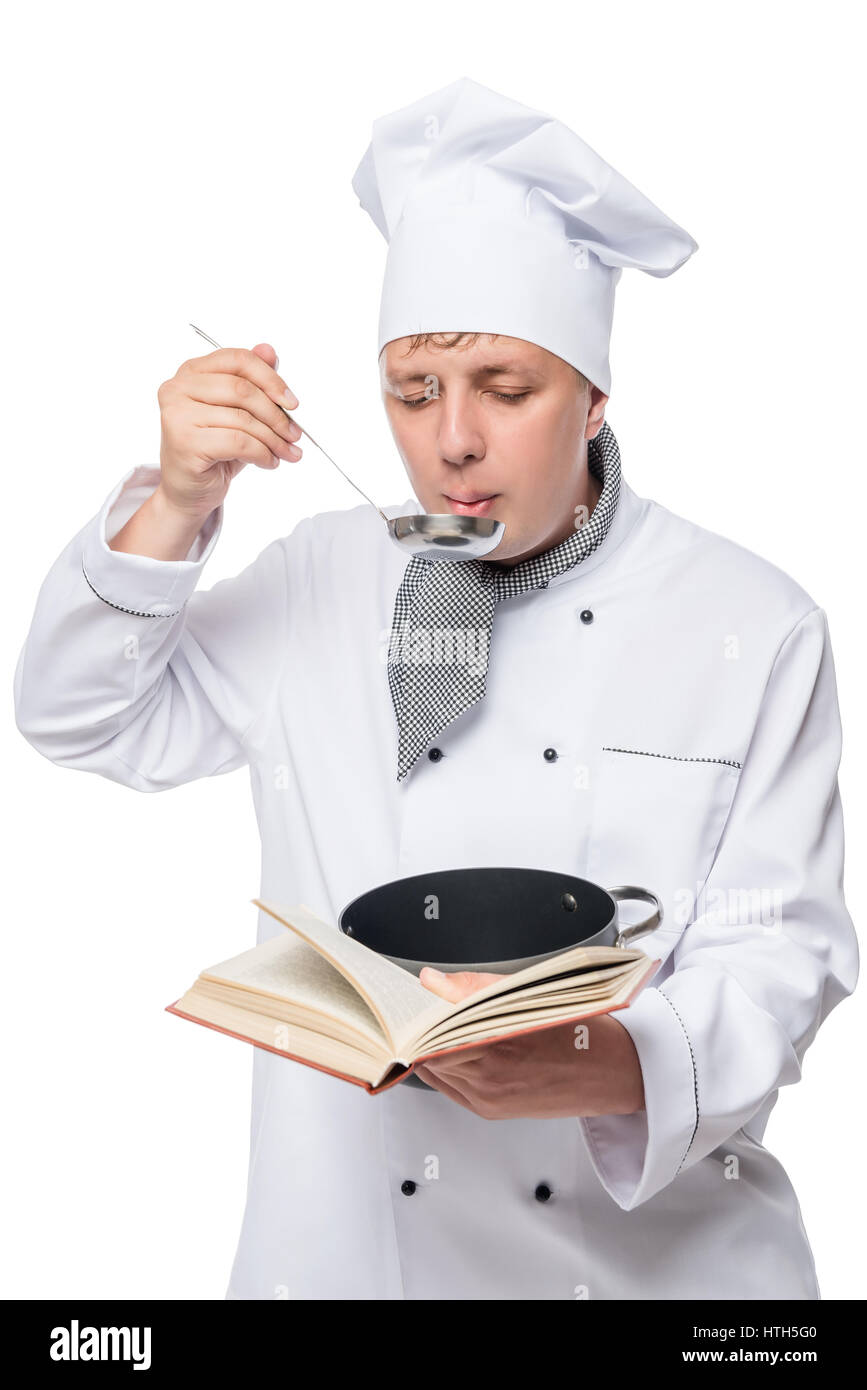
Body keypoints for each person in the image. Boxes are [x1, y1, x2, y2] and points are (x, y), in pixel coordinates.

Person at [13, 77, 858, 1300]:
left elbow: (782, 951)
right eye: (413, 395)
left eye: (506, 391)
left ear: (597, 395)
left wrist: (609, 1059)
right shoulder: (318, 582)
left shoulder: (751, 621)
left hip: (658, 1280)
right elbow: (79, 714)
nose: (451, 442)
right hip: (351, 1264)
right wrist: (179, 499)